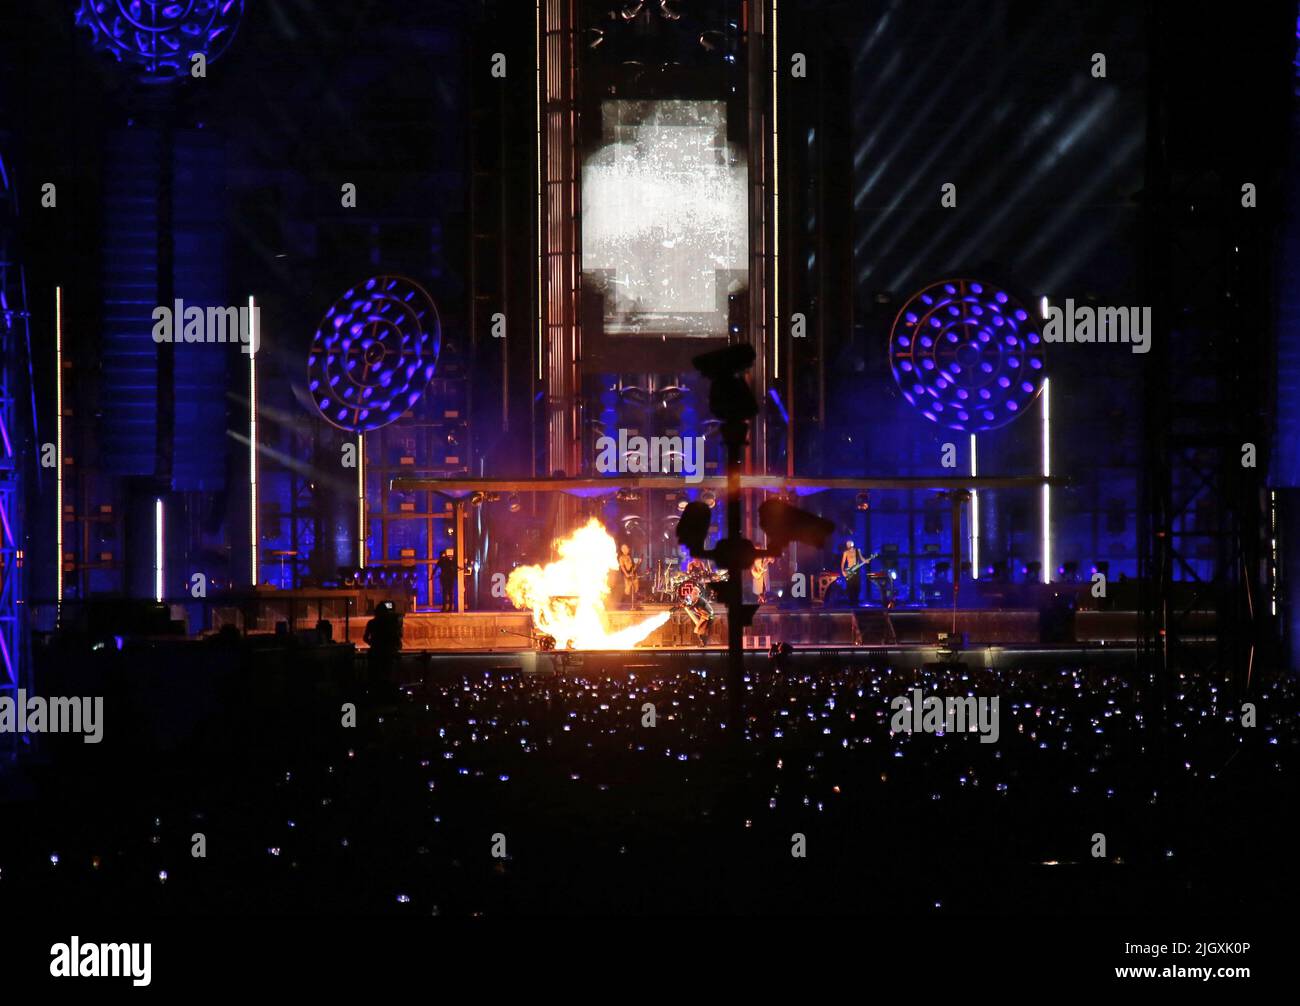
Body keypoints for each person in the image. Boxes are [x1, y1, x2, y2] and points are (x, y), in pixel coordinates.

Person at [362, 601, 402, 682]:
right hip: (387, 652)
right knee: (388, 674)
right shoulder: (389, 623)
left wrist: (372, 644)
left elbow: (365, 637)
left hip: (376, 652)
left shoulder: (372, 623)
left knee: (375, 676)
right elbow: (396, 635)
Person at [840, 539, 867, 606]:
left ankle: (856, 601)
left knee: (857, 586)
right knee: (850, 586)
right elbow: (843, 562)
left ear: (852, 544)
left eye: (849, 544)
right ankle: (851, 602)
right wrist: (842, 571)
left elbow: (861, 558)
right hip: (849, 571)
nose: (848, 545)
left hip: (856, 570)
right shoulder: (846, 552)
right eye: (847, 545)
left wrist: (866, 561)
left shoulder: (857, 551)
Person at [618, 543, 642, 610]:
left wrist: (638, 563)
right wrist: (627, 574)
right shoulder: (621, 558)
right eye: (623, 548)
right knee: (627, 590)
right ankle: (624, 606)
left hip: (634, 575)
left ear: (629, 549)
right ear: (621, 550)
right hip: (627, 576)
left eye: (626, 548)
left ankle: (635, 605)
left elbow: (634, 566)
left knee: (636, 589)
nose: (625, 550)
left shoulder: (630, 556)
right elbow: (622, 567)